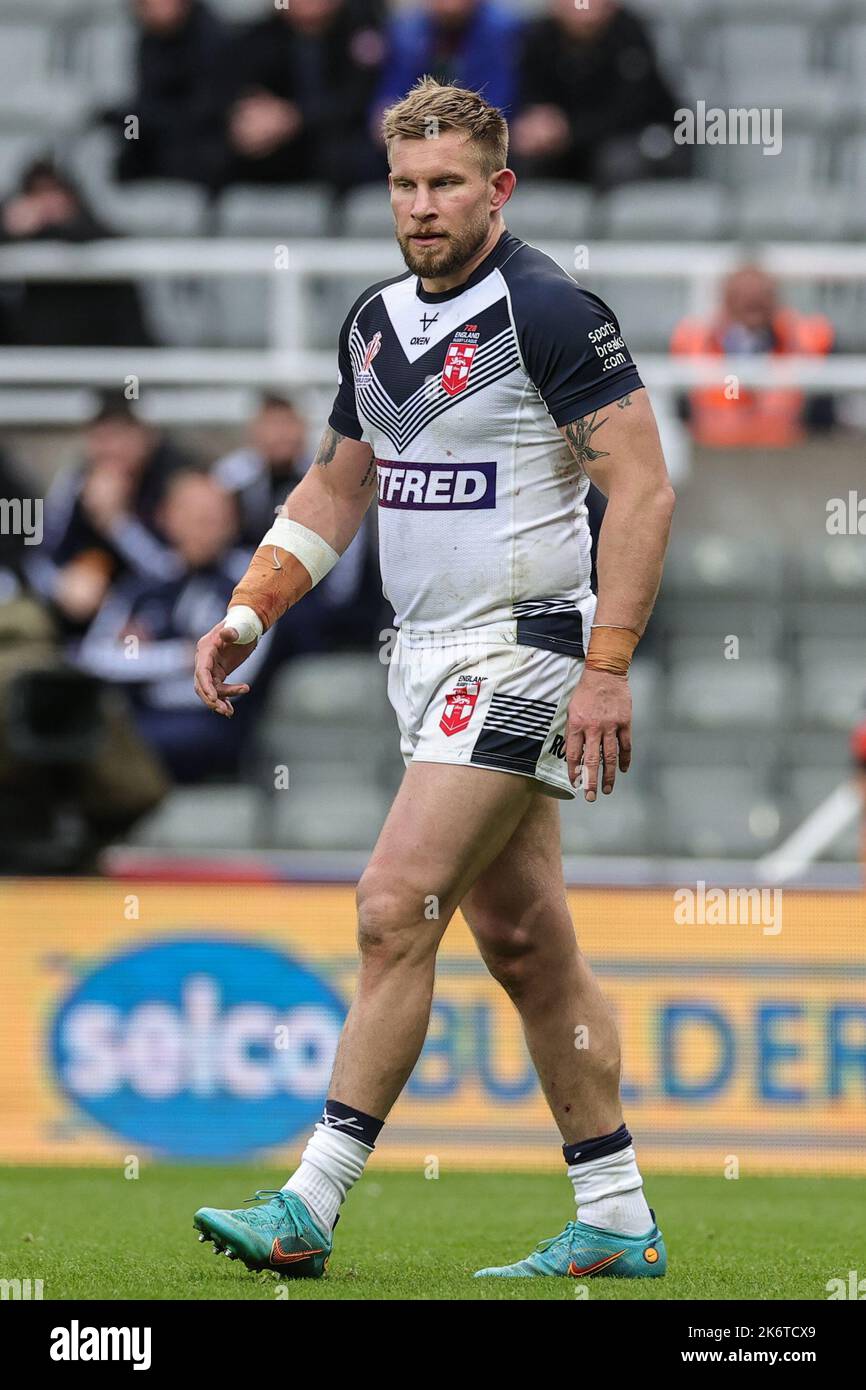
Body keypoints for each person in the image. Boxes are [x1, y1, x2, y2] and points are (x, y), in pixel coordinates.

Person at [192, 77, 675, 1282]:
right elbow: (337, 486)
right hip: (420, 657)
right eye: (404, 185)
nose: (420, 205)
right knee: (524, 945)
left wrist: (606, 668)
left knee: (389, 903)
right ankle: (614, 1209)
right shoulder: (372, 320)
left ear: (496, 188)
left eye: (446, 182)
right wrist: (253, 602)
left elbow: (645, 488)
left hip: (527, 649)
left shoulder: (551, 309)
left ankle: (310, 1200)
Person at [75, 471, 270, 783]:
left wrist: (141, 664)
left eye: (213, 517)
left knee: (105, 743)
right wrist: (181, 657)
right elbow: (93, 656)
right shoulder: (144, 584)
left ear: (233, 522)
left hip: (210, 722)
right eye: (192, 516)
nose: (203, 527)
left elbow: (234, 676)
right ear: (166, 518)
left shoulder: (254, 584)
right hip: (140, 715)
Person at [212, 393, 382, 651]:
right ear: (254, 433)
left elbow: (349, 556)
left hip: (316, 600)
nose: (280, 436)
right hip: (254, 593)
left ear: (302, 429)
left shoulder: (329, 482)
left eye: (286, 425)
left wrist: (334, 605)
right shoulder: (233, 481)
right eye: (271, 426)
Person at [26, 393, 191, 634]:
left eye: (122, 437)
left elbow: (173, 571)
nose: (112, 450)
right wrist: (62, 585)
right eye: (102, 439)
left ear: (145, 438)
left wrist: (117, 524)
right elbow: (38, 557)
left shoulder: (172, 484)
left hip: (158, 615)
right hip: (86, 620)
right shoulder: (74, 483)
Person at [512, 0, 686, 187]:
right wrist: (536, 126)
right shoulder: (539, 37)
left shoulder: (630, 34)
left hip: (637, 140)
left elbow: (630, 111)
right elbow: (532, 97)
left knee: (617, 162)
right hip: (569, 147)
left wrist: (568, 131)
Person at [218, 0, 385, 190]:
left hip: (343, 157)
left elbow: (359, 101)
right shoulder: (255, 41)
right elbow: (238, 101)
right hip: (273, 157)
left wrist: (293, 118)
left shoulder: (365, 32)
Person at [670, 264, 835, 448]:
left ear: (775, 301)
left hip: (788, 454)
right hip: (711, 452)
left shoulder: (807, 339)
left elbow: (825, 421)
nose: (752, 307)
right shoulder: (692, 341)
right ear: (726, 300)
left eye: (760, 299)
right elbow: (679, 415)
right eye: (742, 298)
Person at [0, 160, 153, 347]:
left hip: (96, 345)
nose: (46, 204)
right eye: (38, 195)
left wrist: (50, 226)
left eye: (53, 192)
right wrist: (9, 228)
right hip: (36, 349)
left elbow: (98, 233)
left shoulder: (94, 231)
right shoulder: (15, 236)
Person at [115, 0, 230, 187]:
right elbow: (143, 100)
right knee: (128, 134)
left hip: (200, 144)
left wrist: (146, 116)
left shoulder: (210, 38)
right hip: (157, 135)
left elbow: (206, 110)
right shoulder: (149, 39)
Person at [376, 0, 520, 127]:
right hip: (423, 127)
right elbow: (392, 96)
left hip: (477, 133)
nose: (449, 5)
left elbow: (497, 107)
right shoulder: (407, 32)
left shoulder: (502, 31)